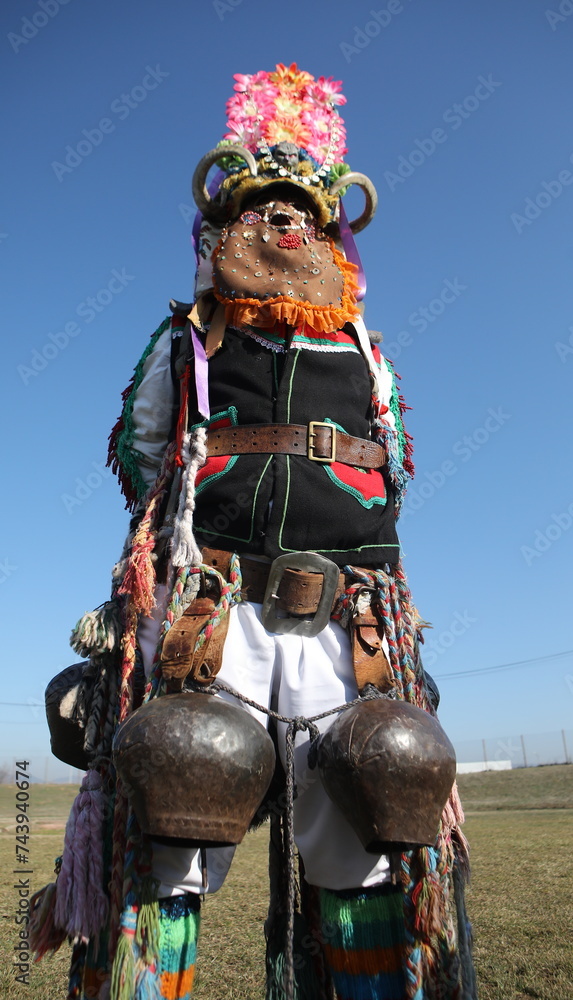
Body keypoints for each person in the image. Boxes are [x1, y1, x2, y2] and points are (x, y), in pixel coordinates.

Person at [33, 64, 476, 1000]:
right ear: (220, 226)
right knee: (171, 819)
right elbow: (143, 453)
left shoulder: (367, 351)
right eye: (259, 208)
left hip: (348, 622)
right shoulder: (187, 338)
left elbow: (391, 463)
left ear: (331, 235)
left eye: (301, 213)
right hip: (214, 615)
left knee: (369, 817)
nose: (281, 225)